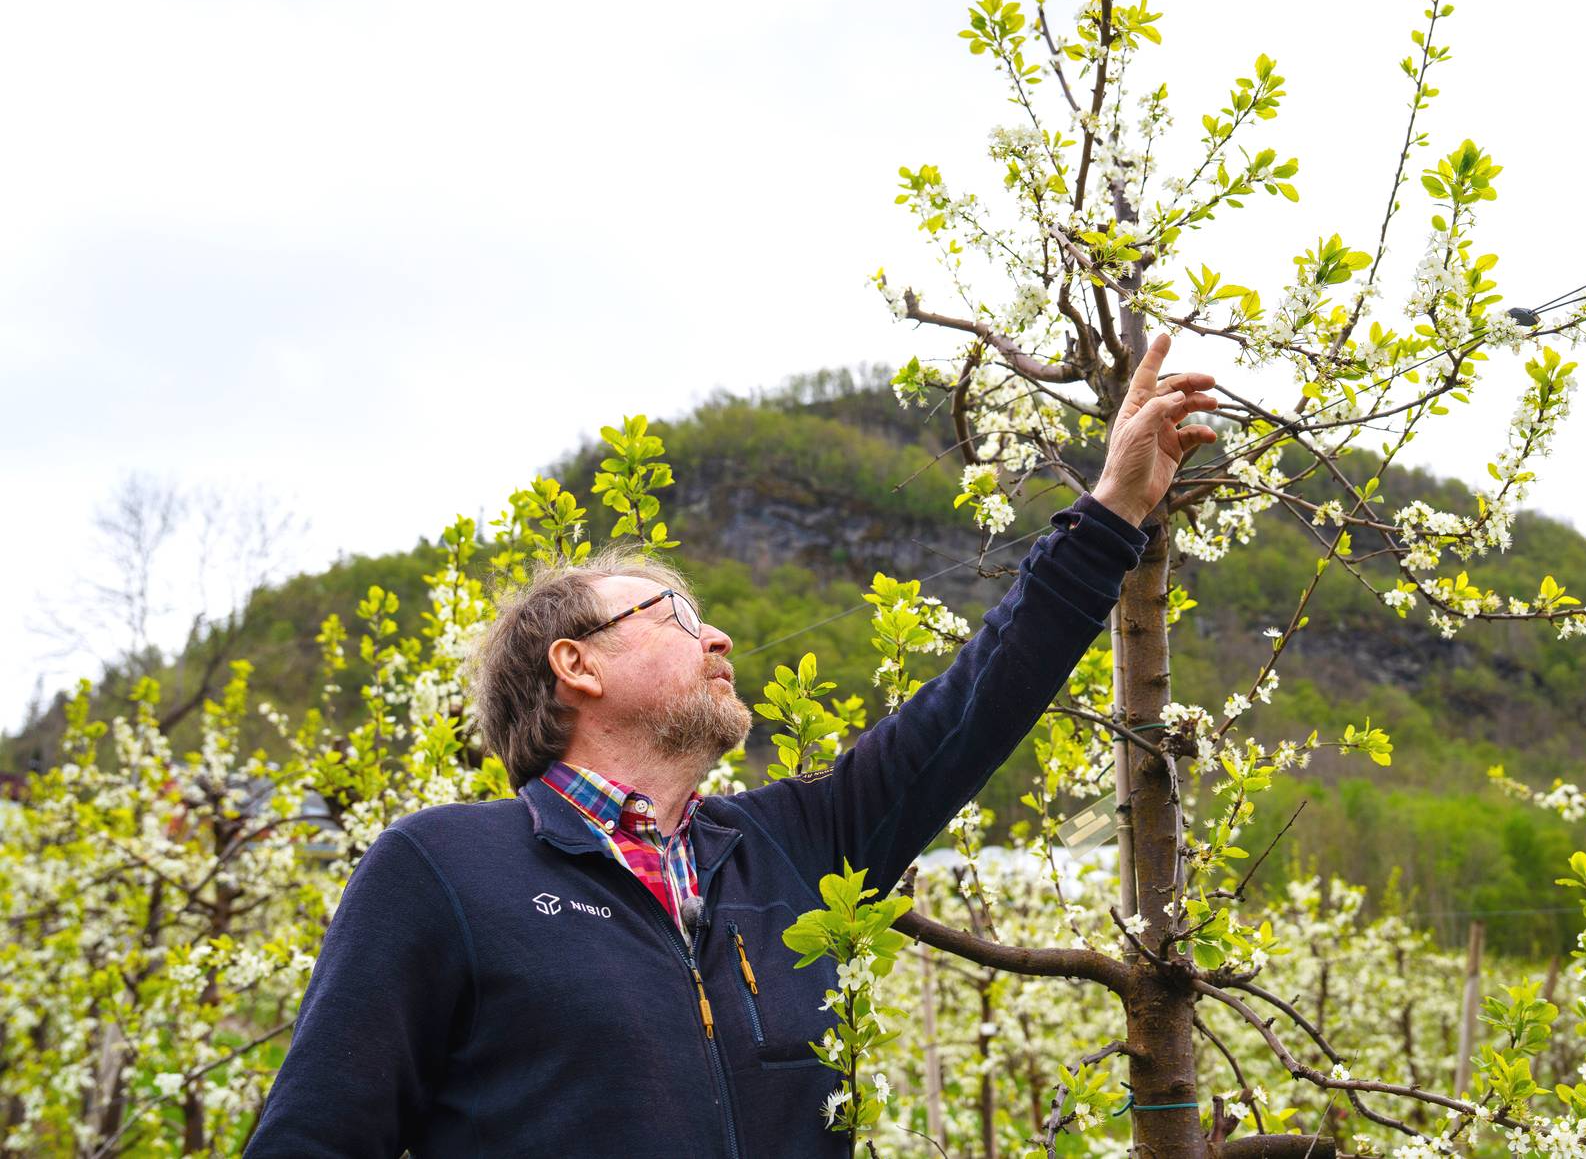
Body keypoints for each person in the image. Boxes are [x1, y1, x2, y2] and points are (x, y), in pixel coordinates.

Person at [243, 335, 1217, 1157]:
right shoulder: (444, 869)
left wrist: (1112, 512)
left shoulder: (788, 847)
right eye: (674, 616)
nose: (718, 638)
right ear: (575, 665)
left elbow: (973, 706)